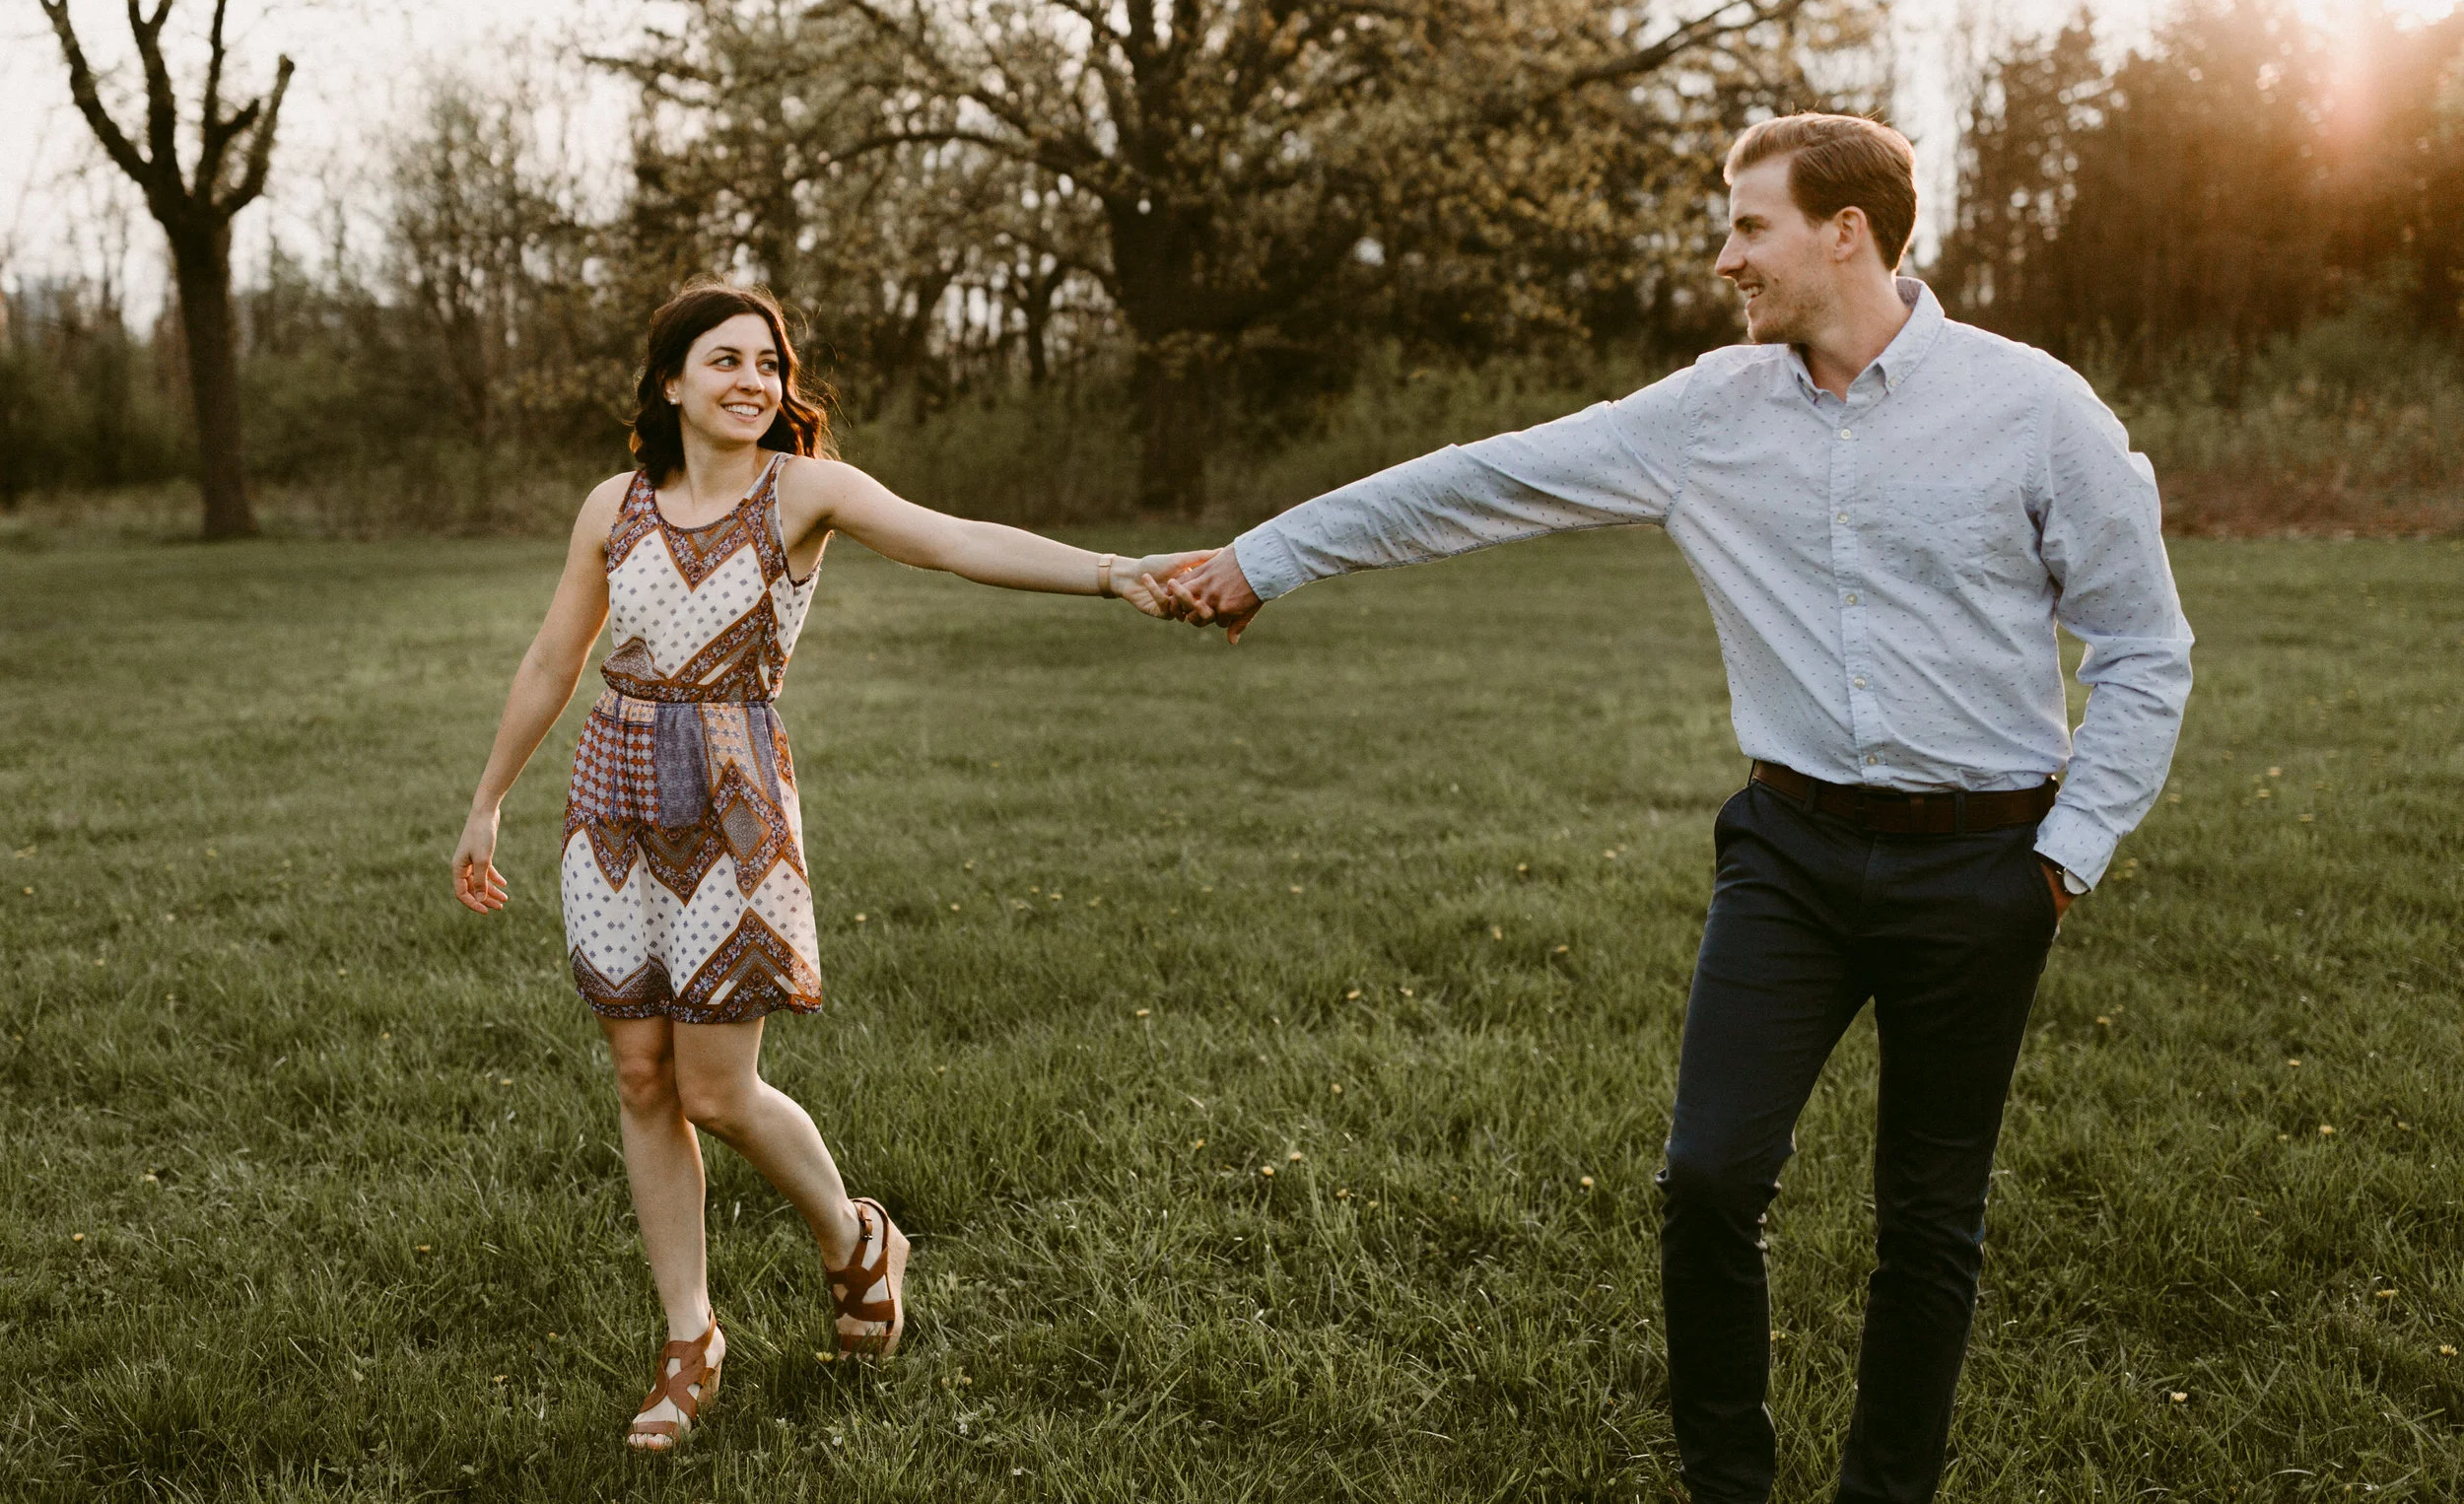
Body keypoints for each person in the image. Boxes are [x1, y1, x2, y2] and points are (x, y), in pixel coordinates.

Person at [1165, 114, 2193, 1503]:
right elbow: (1480, 480)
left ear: (1847, 231)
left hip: (1987, 864)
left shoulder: (2035, 409)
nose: (1724, 259)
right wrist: (1267, 556)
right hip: (1791, 852)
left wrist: (2062, 860)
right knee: (1709, 1176)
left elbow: (2143, 646)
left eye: (1749, 225)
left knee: (1928, 1217)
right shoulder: (1709, 413)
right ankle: (1728, 1482)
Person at [450, 279, 1202, 1454]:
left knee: (713, 1086)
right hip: (613, 798)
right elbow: (556, 653)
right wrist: (487, 799)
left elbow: (959, 542)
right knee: (641, 1075)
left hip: (733, 797)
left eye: (769, 363)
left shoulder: (805, 491)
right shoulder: (615, 503)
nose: (755, 380)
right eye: (725, 360)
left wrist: (1109, 570)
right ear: (670, 382)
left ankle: (855, 1235)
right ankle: (689, 1334)